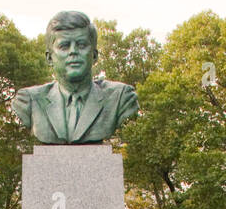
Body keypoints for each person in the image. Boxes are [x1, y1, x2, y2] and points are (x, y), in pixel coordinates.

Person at [12, 11, 139, 145]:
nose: (73, 51)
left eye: (82, 45)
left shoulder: (120, 98)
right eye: (64, 46)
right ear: (50, 58)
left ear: (94, 55)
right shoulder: (29, 101)